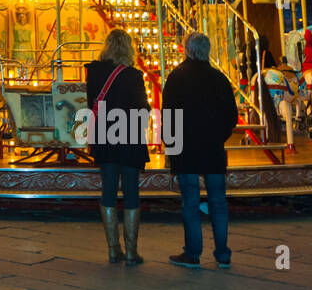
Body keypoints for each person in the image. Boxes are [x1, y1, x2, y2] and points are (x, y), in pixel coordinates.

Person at [162, 31, 239, 268]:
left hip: (186, 150)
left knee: (191, 203)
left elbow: (169, 117)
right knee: (218, 202)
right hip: (213, 149)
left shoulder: (176, 77)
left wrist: (171, 147)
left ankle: (193, 253)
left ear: (187, 50)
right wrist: (218, 137)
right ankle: (222, 253)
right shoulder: (219, 78)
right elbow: (232, 116)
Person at [85, 29, 150, 265]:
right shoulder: (133, 75)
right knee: (132, 191)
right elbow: (143, 109)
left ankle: (113, 249)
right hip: (130, 138)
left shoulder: (93, 72)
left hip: (105, 137)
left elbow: (92, 101)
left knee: (108, 190)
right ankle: (131, 252)